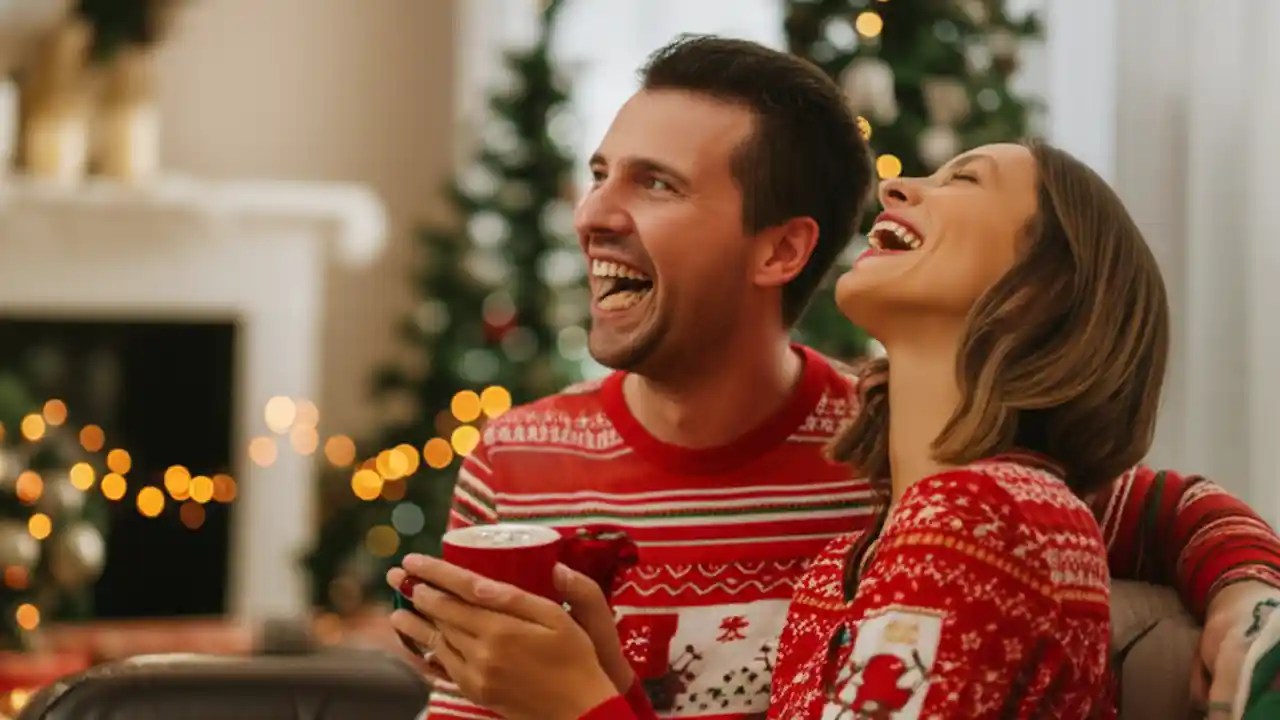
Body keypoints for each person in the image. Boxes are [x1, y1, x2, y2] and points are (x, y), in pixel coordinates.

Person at [389, 35, 1280, 720]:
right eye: (598, 176)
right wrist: (597, 686)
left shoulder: (908, 457)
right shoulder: (516, 458)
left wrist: (1249, 594)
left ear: (782, 250)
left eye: (656, 184)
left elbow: (1162, 510)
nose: (591, 214)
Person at [765, 139, 1164, 718]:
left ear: (1044, 286)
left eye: (964, 179)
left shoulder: (983, 515)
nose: (893, 187)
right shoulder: (841, 567)